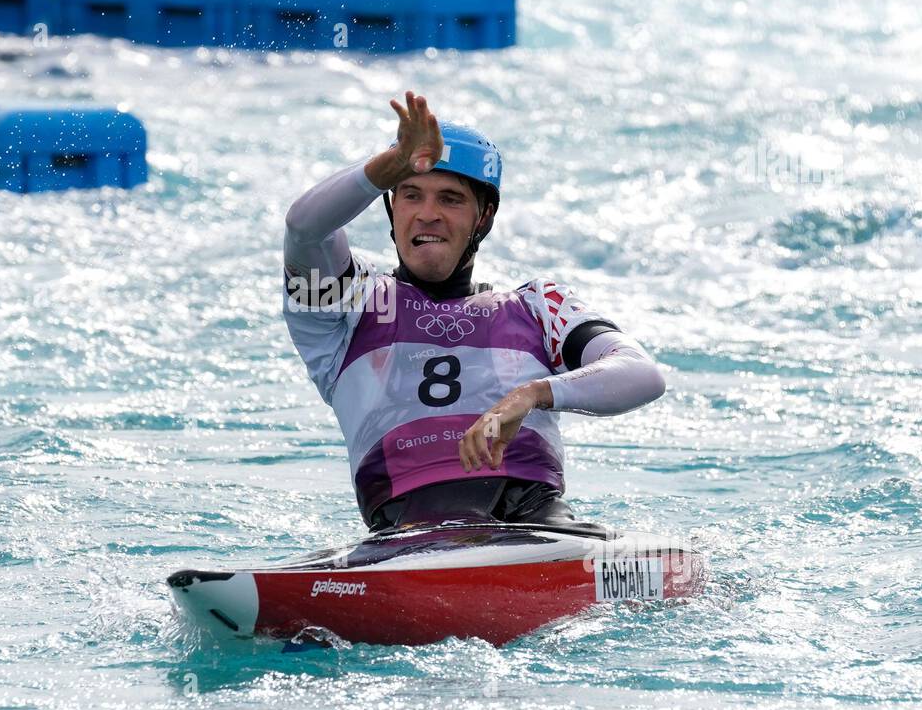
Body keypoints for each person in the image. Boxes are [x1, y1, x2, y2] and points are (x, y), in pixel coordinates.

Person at [283, 91, 666, 532]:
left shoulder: (538, 306)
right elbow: (305, 227)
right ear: (391, 208)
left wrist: (532, 395)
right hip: (405, 536)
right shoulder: (351, 303)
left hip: (539, 527)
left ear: (482, 217)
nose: (428, 215)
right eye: (411, 195)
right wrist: (389, 164)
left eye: (450, 199)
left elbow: (642, 374)